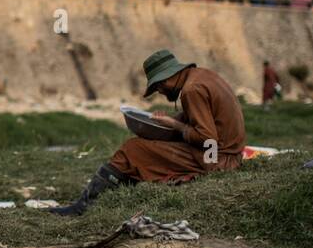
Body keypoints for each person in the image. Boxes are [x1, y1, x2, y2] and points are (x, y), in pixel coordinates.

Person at [50, 49, 246, 216]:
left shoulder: (190, 90)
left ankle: (83, 206)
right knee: (144, 149)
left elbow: (207, 140)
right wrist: (175, 119)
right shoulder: (201, 76)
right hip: (228, 155)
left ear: (168, 77)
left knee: (132, 149)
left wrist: (174, 125)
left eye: (158, 86)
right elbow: (205, 116)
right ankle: (115, 192)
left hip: (217, 160)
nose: (160, 91)